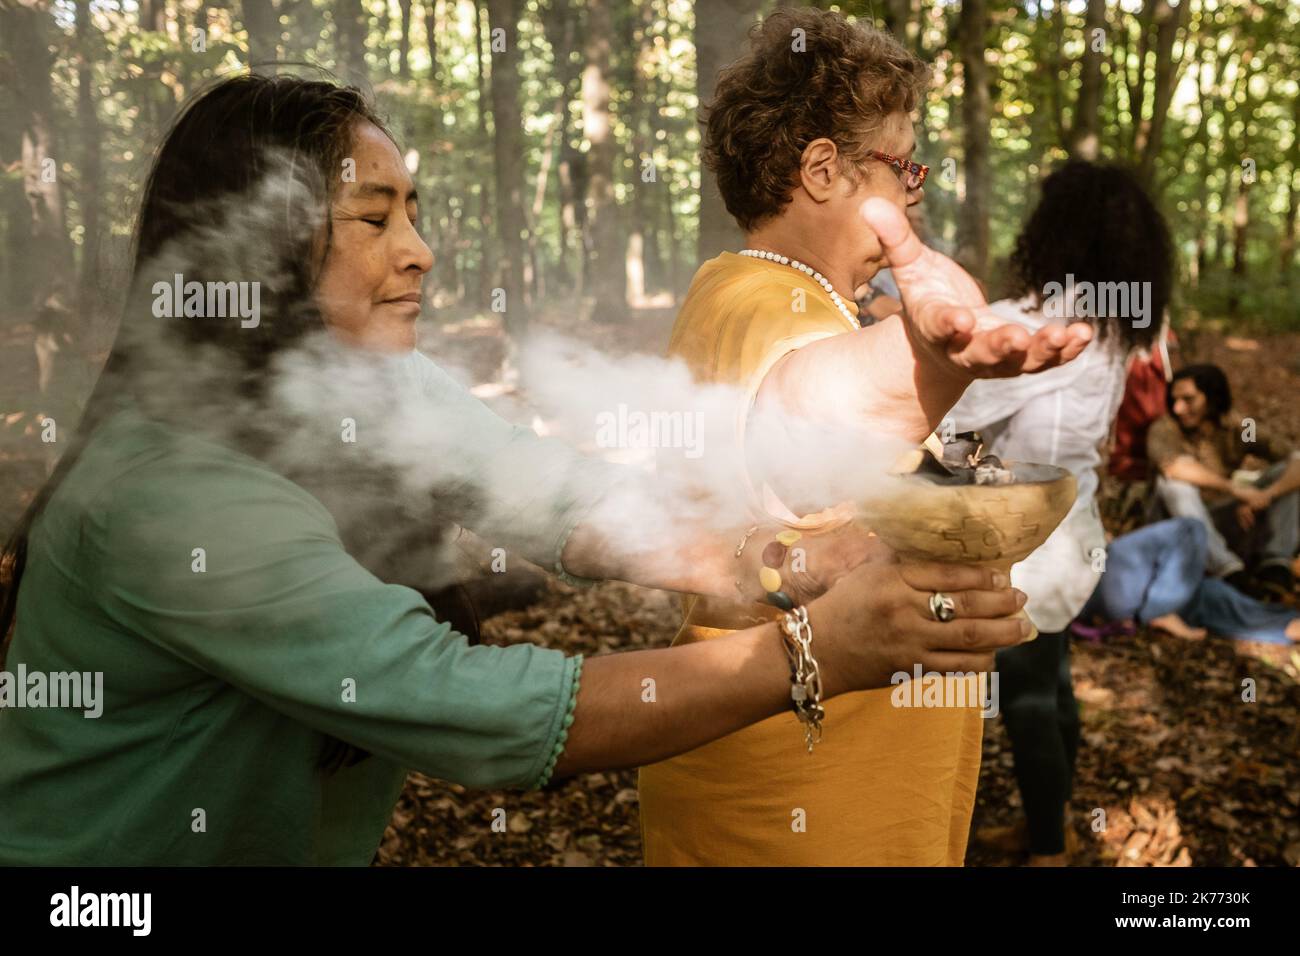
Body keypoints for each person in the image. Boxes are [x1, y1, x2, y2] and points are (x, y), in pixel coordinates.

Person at [0, 75, 1030, 865]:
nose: (421, 251)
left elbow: (566, 498)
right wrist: (810, 655)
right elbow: (468, 704)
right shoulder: (170, 496)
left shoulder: (375, 396)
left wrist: (769, 564)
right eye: (374, 217)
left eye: (414, 210)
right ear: (256, 247)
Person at [637, 9, 1092, 867]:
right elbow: (800, 419)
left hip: (826, 785)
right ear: (821, 169)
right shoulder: (760, 301)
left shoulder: (769, 294)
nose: (917, 189)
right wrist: (926, 355)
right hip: (797, 806)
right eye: (903, 164)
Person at [946, 160, 1174, 865]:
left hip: (1029, 538)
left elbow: (953, 415)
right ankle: (1055, 823)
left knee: (1027, 698)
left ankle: (1048, 846)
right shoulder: (1120, 325)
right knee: (1057, 681)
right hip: (1075, 529)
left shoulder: (1038, 326)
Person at [1149, 364, 1300, 600]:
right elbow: (1174, 468)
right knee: (1174, 486)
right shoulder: (1165, 428)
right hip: (1179, 525)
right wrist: (1238, 491)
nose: (1179, 408)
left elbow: (1294, 459)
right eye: (1174, 400)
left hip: (1225, 518)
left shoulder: (1239, 427)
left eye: (1188, 399)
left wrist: (1265, 495)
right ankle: (1229, 572)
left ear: (1212, 397)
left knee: (1288, 471)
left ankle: (1275, 565)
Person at [1072, 518, 1300, 645]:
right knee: (1191, 529)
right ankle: (1161, 611)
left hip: (1114, 590)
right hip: (1100, 582)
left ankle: (1286, 626)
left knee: (1210, 594)